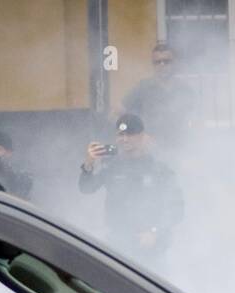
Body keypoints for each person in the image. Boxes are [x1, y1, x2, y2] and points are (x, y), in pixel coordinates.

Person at [79, 114, 184, 261]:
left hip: (150, 248)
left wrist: (155, 231)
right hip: (117, 246)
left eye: (130, 134)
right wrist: (89, 163)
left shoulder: (159, 170)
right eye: (121, 135)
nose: (125, 139)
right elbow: (86, 188)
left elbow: (177, 209)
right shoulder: (112, 167)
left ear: (142, 136)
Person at [121, 44, 194, 149]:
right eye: (157, 62)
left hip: (181, 149)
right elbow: (116, 113)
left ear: (175, 63)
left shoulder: (185, 90)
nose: (162, 65)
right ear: (153, 64)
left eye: (166, 61)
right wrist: (135, 136)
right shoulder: (143, 87)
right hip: (151, 151)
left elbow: (197, 120)